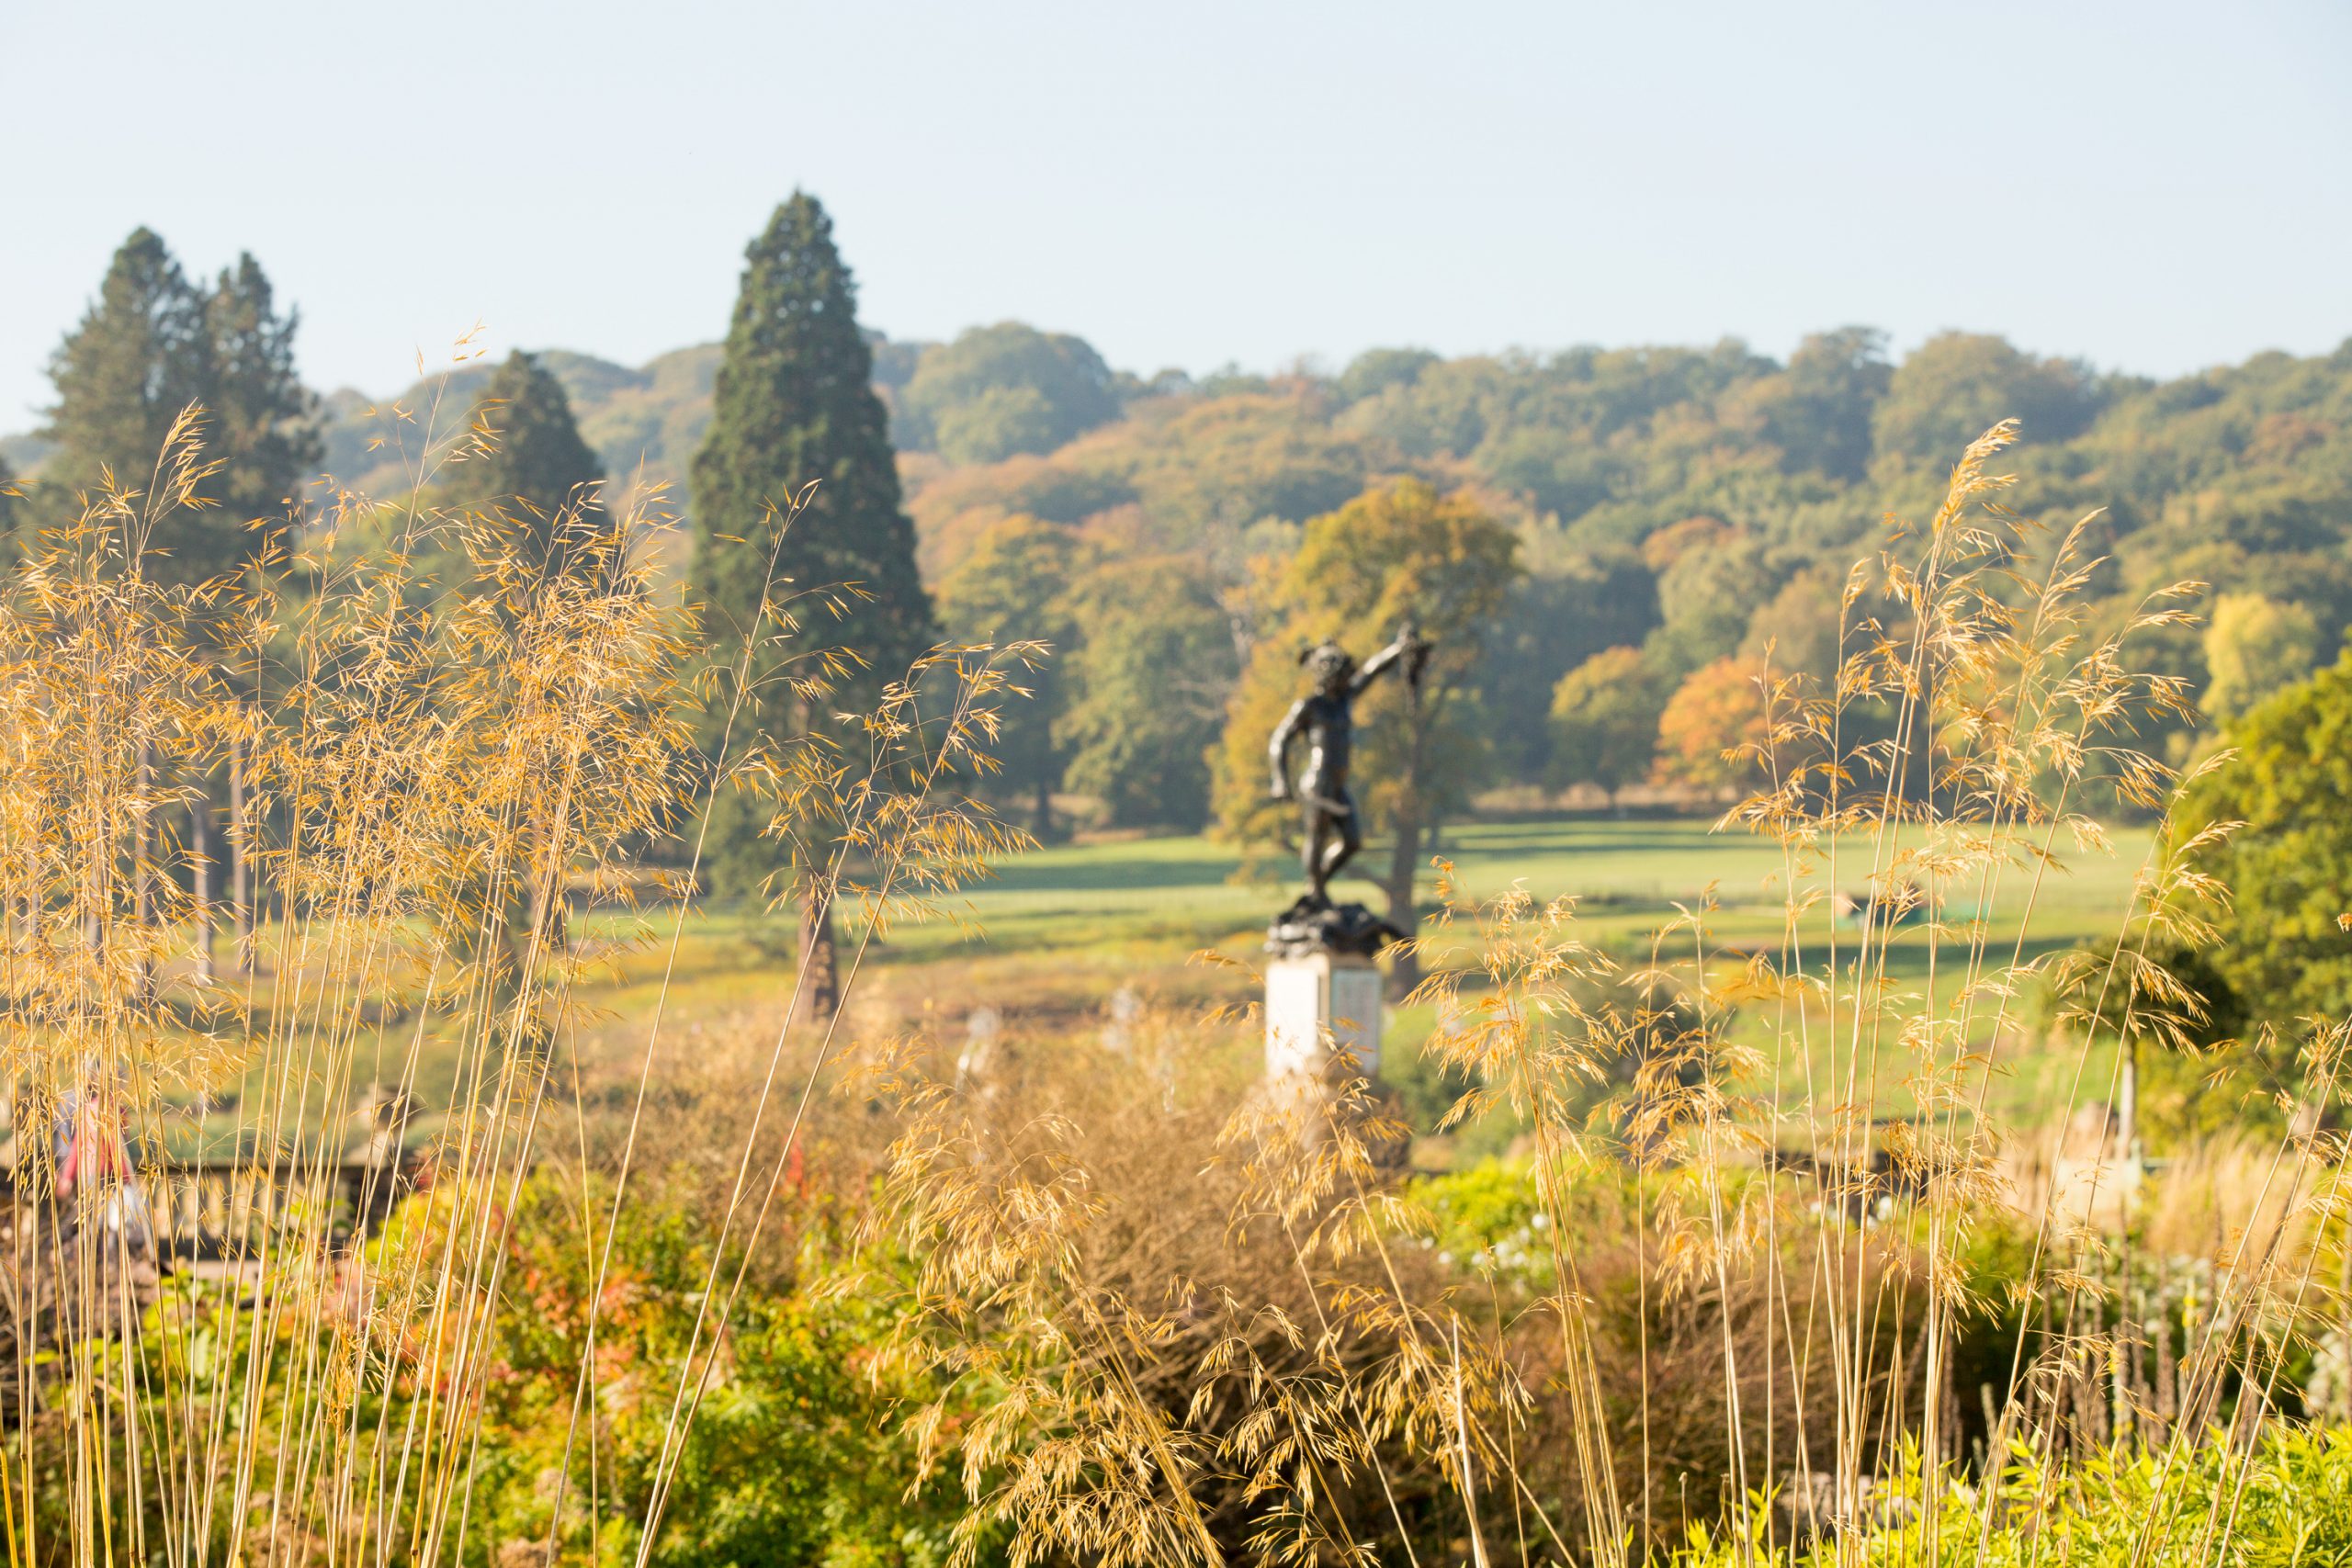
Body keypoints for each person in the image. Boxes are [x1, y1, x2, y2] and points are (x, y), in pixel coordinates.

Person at [1268, 622, 1430, 907]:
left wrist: (1399, 648)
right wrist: (1280, 779)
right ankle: (1315, 892)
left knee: (1352, 841)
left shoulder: (1344, 700)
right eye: (1342, 673)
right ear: (1327, 674)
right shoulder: (1310, 706)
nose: (1348, 678)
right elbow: (1279, 740)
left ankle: (1317, 887)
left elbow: (1372, 670)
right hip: (1318, 784)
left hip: (1338, 784)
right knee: (1316, 838)